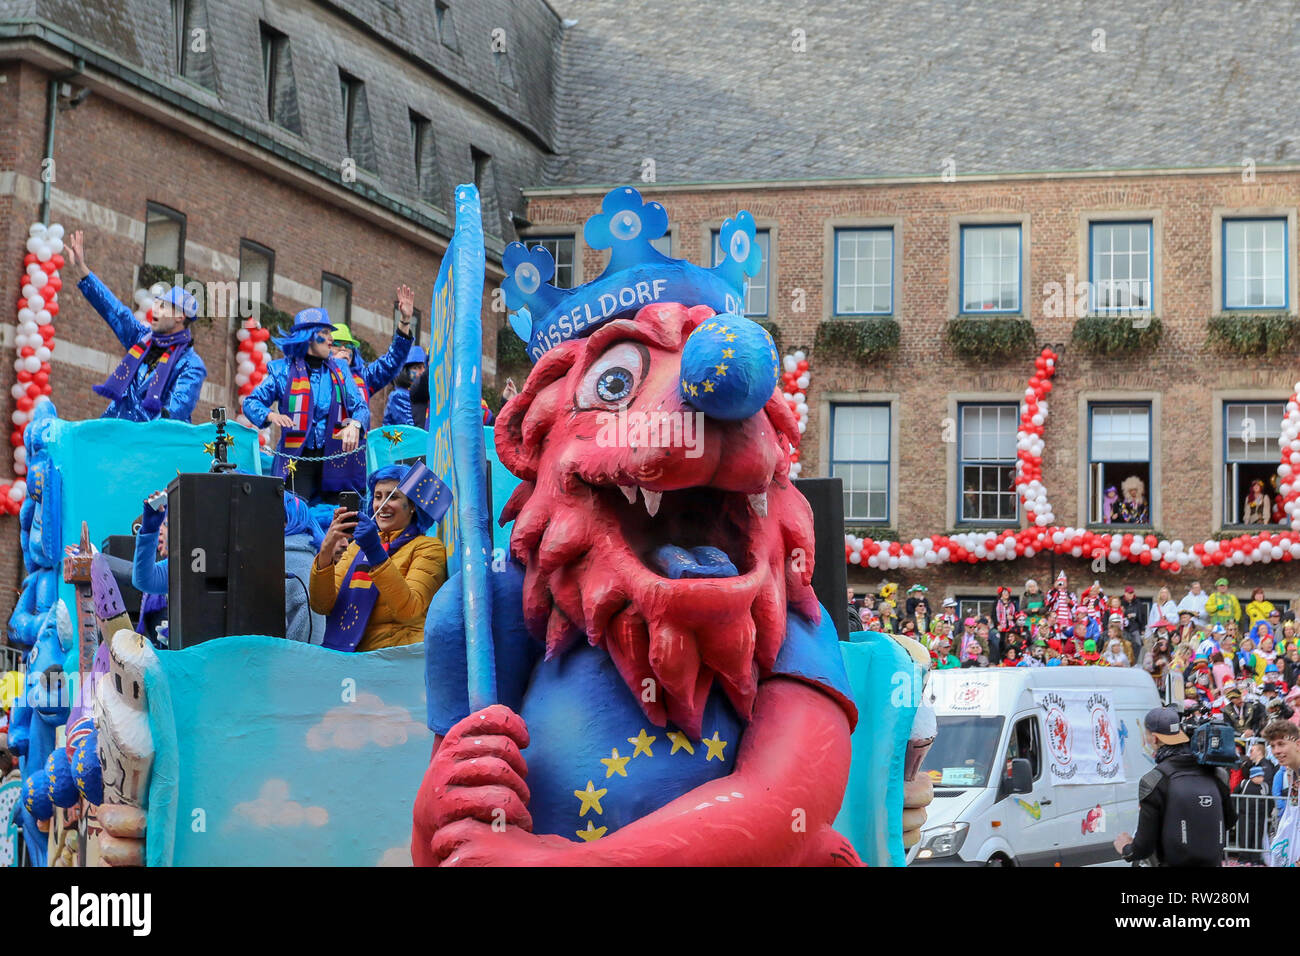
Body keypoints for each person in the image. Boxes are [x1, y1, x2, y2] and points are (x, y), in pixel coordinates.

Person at [64, 229, 206, 422]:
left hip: (149, 447)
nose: (155, 309)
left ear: (180, 316)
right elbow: (115, 311)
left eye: (163, 306)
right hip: (116, 434)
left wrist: (137, 439)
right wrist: (83, 270)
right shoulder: (142, 338)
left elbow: (174, 413)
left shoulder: (191, 365)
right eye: (156, 303)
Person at [310, 464, 448, 652]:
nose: (382, 505)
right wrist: (326, 549)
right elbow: (322, 606)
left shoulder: (429, 548)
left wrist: (375, 551)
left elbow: (409, 610)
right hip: (351, 659)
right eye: (377, 496)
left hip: (398, 659)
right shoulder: (357, 548)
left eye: (393, 496)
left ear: (413, 506)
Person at [243, 310, 369, 506]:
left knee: (338, 521)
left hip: (335, 462)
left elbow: (360, 407)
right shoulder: (281, 370)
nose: (330, 339)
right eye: (325, 333)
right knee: (292, 518)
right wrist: (269, 415)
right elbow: (251, 402)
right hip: (296, 461)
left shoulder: (341, 369)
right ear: (310, 336)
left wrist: (355, 424)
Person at [1113, 706, 1235, 866]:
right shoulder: (1216, 773)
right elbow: (1230, 819)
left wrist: (1126, 848)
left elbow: (1144, 846)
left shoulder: (1154, 780)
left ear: (1154, 738)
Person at [382, 346, 430, 426]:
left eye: (423, 367)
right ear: (405, 371)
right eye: (416, 368)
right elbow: (410, 427)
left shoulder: (422, 394)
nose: (422, 372)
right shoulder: (398, 395)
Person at [1120, 585, 1146, 654]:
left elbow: (1143, 616)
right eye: (1129, 593)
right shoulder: (1121, 602)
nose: (1130, 595)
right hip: (1124, 628)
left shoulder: (1138, 603)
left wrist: (1143, 628)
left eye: (1132, 593)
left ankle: (1138, 662)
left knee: (1138, 645)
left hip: (1135, 627)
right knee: (1124, 646)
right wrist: (1125, 614)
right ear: (1125, 593)